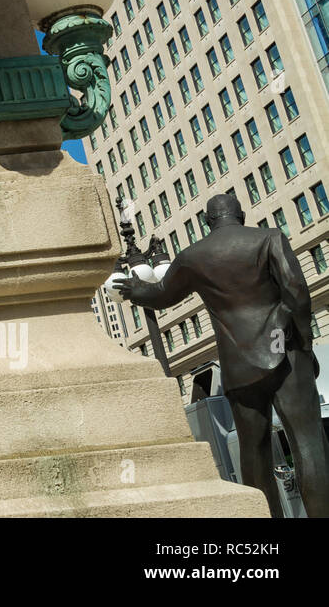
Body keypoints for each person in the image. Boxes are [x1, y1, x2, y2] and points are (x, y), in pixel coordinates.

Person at [113, 193, 327, 517]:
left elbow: (160, 295)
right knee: (309, 446)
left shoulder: (192, 258)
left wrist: (132, 289)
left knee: (253, 455)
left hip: (239, 367)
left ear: (206, 222)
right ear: (241, 214)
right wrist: (306, 344)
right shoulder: (269, 238)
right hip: (284, 352)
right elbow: (297, 293)